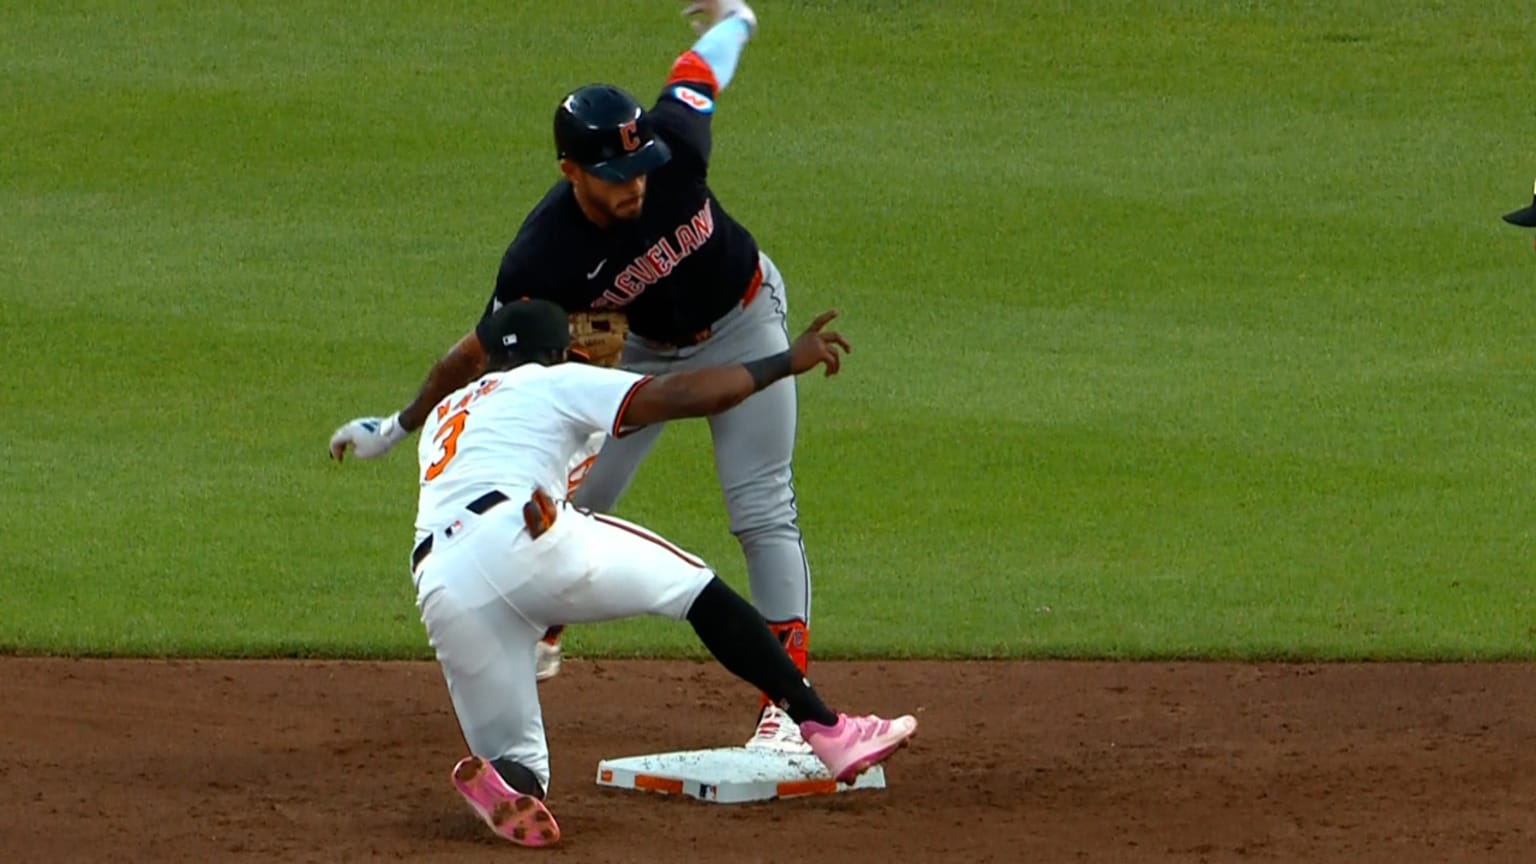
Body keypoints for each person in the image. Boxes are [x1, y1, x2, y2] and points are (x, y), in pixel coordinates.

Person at [328, 0, 820, 751]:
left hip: (746, 315)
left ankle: (789, 712)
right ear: (569, 170)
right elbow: (479, 351)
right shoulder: (542, 254)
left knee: (761, 512)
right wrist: (399, 425)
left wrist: (736, 19)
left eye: (639, 167)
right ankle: (537, 622)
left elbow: (698, 75)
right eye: (615, 175)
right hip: (648, 350)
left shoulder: (674, 144)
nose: (636, 186)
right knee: (574, 495)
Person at [383, 297, 915, 847]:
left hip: (441, 582)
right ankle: (827, 730)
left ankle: (504, 782)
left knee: (521, 764)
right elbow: (680, 395)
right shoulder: (553, 380)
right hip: (521, 541)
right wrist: (782, 362)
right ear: (556, 352)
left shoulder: (452, 411)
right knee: (695, 588)